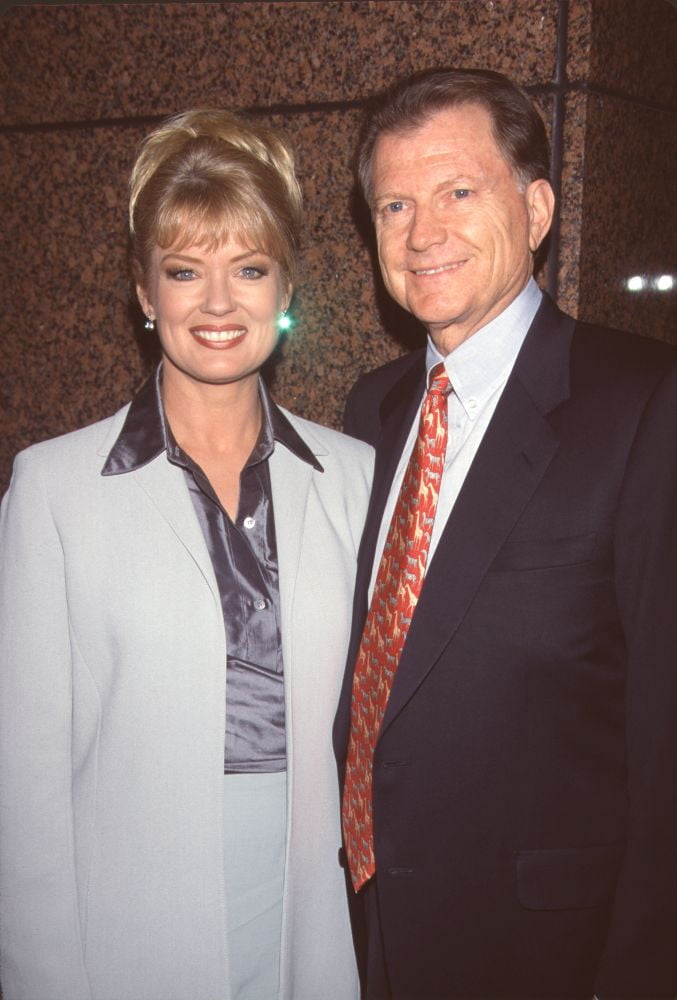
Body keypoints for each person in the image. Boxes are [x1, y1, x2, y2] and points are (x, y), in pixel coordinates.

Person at [0, 108, 372, 1000]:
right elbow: (23, 786)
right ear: (142, 292)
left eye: (248, 269)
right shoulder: (54, 489)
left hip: (312, 910)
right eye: (183, 271)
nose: (216, 303)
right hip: (127, 927)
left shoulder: (354, 476)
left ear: (285, 291)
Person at [333, 68, 677, 1000]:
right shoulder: (372, 409)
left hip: (546, 954)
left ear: (536, 208)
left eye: (456, 192)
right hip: (365, 931)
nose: (422, 232)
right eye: (393, 204)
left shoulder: (643, 404)